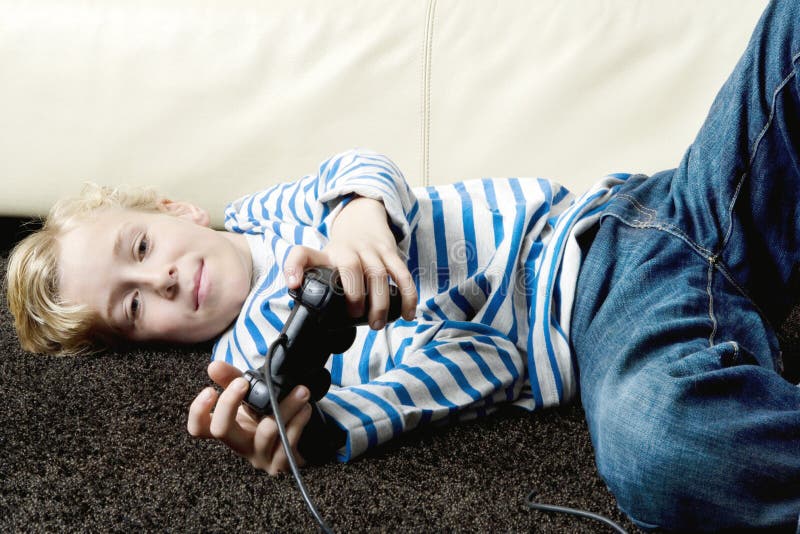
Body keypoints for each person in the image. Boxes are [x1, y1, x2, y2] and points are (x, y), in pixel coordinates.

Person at [5, 0, 800, 530]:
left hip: (644, 211)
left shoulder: (270, 207)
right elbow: (464, 373)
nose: (162, 281)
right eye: (134, 308)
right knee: (662, 443)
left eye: (139, 251)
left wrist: (358, 216)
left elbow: (364, 166)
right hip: (603, 314)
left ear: (172, 209)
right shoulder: (253, 360)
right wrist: (314, 430)